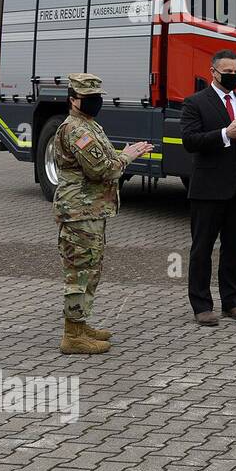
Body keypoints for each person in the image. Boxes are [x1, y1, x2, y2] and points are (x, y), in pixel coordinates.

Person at [53, 74, 153, 354]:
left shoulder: (88, 124)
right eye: (89, 97)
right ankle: (72, 336)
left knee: (90, 269)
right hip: (79, 212)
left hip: (90, 211)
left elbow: (104, 162)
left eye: (98, 96)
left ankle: (80, 324)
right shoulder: (75, 129)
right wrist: (128, 155)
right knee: (79, 272)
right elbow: (102, 169)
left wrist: (120, 156)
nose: (96, 101)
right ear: (73, 99)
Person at [180, 50, 236, 327]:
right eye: (228, 71)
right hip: (208, 189)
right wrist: (224, 134)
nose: (233, 75)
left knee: (234, 248)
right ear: (214, 72)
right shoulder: (195, 103)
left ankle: (233, 302)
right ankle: (201, 305)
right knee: (202, 249)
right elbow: (190, 141)